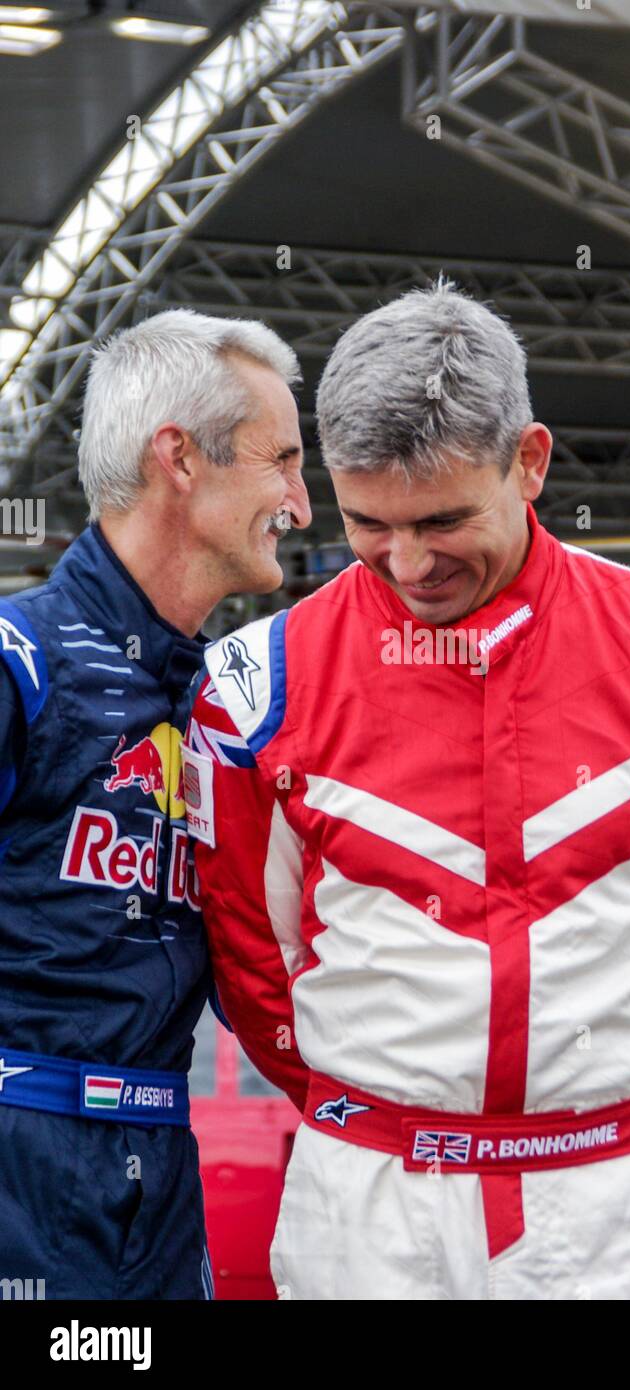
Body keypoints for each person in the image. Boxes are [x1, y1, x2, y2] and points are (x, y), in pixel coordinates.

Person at [186, 279, 630, 1301]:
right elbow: (257, 961)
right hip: (367, 1212)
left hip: (623, 1210)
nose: (409, 562)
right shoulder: (257, 690)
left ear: (531, 461)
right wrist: (380, 1119)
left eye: (441, 518)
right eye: (368, 523)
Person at [0, 308, 310, 1299]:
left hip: (162, 1184)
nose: (303, 504)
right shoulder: (22, 663)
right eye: (283, 461)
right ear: (179, 457)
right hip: (24, 1173)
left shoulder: (235, 706)